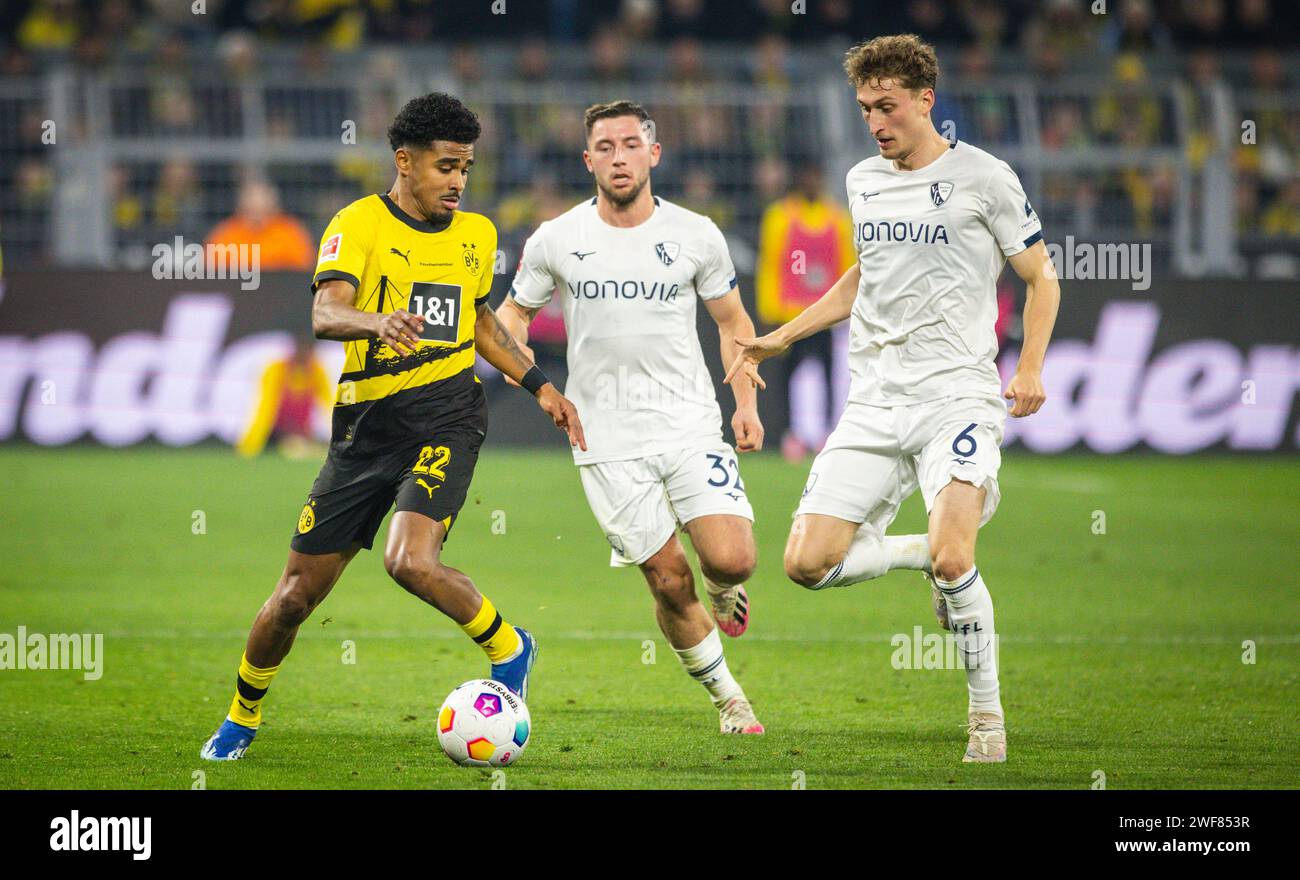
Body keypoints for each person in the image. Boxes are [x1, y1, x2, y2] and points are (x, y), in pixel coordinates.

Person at [201, 92, 585, 761]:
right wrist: (379, 322)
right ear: (404, 163)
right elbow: (326, 314)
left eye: (465, 167)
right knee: (293, 597)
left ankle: (507, 646)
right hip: (366, 431)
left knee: (408, 560)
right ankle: (242, 715)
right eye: (445, 167)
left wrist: (539, 384)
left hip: (449, 416)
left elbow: (480, 321)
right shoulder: (359, 225)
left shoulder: (477, 235)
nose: (458, 182)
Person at [727, 35, 1061, 762]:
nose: (876, 122)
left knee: (955, 561)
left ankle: (985, 719)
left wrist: (1030, 366)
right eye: (864, 108)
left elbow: (1042, 277)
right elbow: (864, 276)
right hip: (875, 398)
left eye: (887, 106)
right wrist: (783, 335)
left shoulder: (985, 177)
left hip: (958, 396)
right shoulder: (863, 181)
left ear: (925, 100)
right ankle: (925, 549)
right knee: (807, 565)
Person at [495, 101, 766, 735]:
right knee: (669, 580)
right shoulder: (556, 239)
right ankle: (731, 698)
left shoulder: (697, 233)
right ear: (588, 159)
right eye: (605, 148)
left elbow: (733, 323)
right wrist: (526, 374)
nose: (619, 157)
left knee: (731, 560)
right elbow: (511, 318)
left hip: (689, 421)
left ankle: (725, 589)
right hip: (604, 437)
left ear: (654, 154)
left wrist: (746, 403)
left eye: (629, 145)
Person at [753, 161, 857, 459]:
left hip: (826, 316)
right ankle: (792, 433)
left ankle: (826, 432)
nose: (812, 182)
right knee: (787, 376)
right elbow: (771, 264)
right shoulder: (780, 217)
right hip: (791, 315)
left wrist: (848, 308)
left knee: (829, 375)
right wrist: (769, 307)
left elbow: (847, 266)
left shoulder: (837, 218)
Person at [236, 337, 333, 459]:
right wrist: (250, 445)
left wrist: (341, 436)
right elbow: (265, 408)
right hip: (275, 433)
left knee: (308, 448)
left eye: (309, 350)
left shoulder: (317, 371)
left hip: (301, 433)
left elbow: (329, 405)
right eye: (302, 348)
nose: (305, 354)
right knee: (293, 448)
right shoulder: (277, 369)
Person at [205, 178, 315, 271]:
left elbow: (304, 268)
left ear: (274, 207)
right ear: (241, 206)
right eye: (251, 210)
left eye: (263, 211)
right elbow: (209, 269)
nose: (257, 217)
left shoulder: (291, 233)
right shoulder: (226, 233)